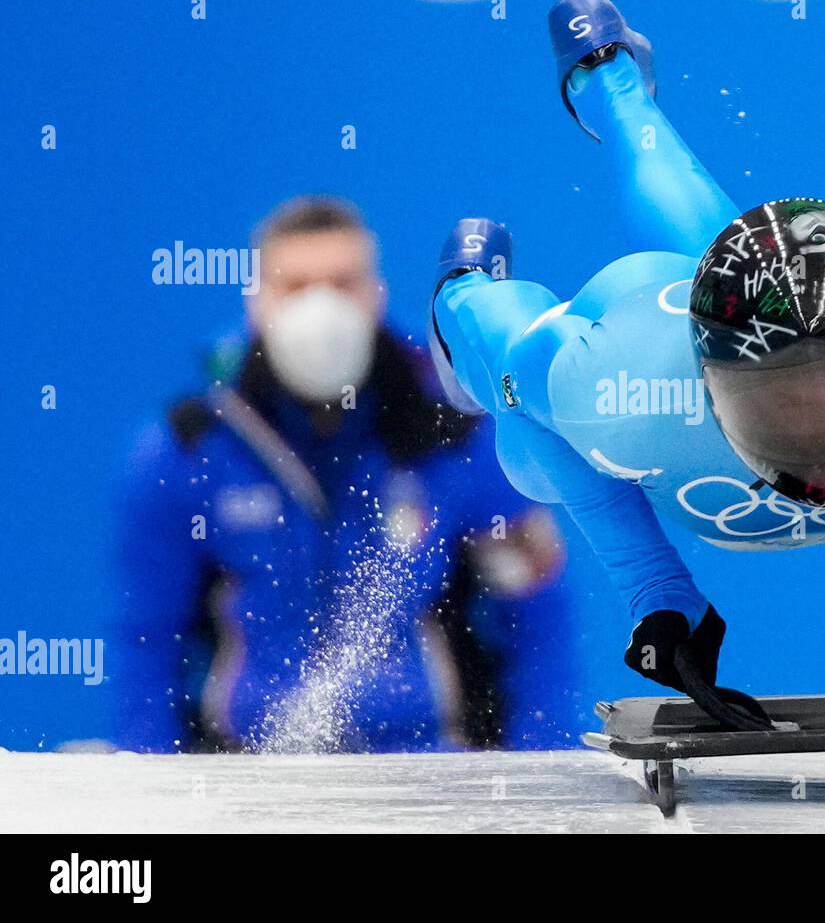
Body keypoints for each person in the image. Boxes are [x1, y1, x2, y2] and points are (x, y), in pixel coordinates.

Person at [429, 0, 825, 722]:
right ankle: (468, 280)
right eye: (789, 399)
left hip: (695, 368)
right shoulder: (614, 385)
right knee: (525, 448)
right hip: (622, 323)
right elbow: (521, 391)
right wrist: (654, 587)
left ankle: (610, 80)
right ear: (707, 382)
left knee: (729, 248)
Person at [113, 196, 570, 753]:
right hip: (251, 771)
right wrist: (154, 796)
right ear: (255, 302)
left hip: (430, 772)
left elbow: (541, 624)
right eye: (296, 286)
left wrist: (539, 784)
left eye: (343, 283)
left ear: (376, 294)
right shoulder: (188, 447)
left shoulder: (456, 433)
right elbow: (145, 641)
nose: (322, 307)